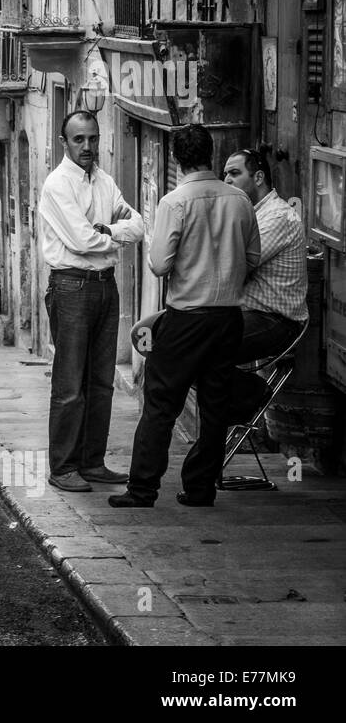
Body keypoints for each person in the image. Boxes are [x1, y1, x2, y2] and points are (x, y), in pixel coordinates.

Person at [109, 125, 260, 508]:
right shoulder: (240, 200)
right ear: (211, 154)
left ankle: (142, 489)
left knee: (160, 403)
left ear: (177, 159)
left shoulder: (174, 202)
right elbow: (254, 258)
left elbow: (159, 265)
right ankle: (200, 489)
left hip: (186, 318)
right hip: (227, 319)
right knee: (215, 407)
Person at [38, 110, 144, 493]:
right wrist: (115, 238)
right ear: (64, 142)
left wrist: (110, 230)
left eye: (93, 139)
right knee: (69, 384)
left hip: (104, 286)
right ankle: (63, 467)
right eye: (79, 139)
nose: (87, 146)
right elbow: (81, 240)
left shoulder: (104, 181)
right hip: (71, 287)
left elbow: (139, 223)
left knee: (101, 381)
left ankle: (93, 462)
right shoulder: (58, 185)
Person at [221, 146, 308, 419]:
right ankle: (228, 411)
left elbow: (233, 266)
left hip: (276, 321)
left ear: (258, 178)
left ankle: (252, 394)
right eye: (225, 174)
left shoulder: (277, 217)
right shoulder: (250, 213)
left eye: (234, 173)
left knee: (199, 346)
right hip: (248, 314)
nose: (227, 181)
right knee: (180, 343)